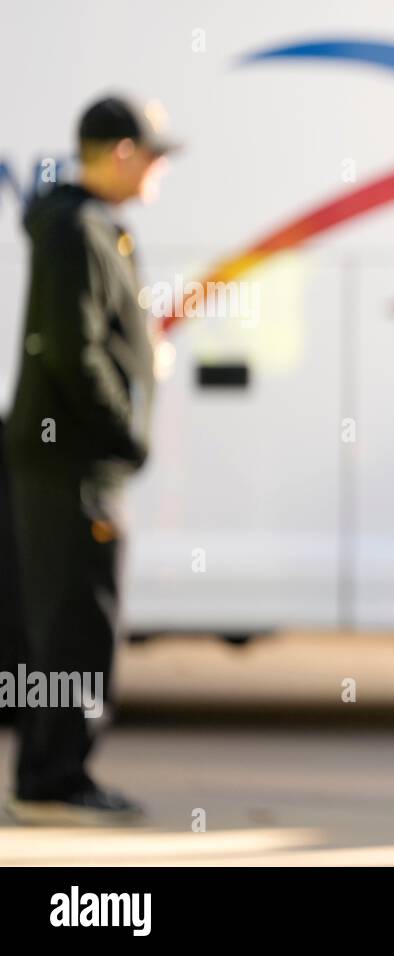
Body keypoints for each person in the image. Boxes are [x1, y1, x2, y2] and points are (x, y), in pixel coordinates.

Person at [4, 94, 175, 825]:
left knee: (74, 616)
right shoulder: (75, 230)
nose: (162, 171)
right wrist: (125, 428)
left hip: (75, 463)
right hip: (72, 464)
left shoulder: (95, 228)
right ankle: (52, 779)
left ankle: (52, 772)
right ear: (124, 152)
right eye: (157, 155)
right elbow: (70, 351)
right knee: (76, 619)